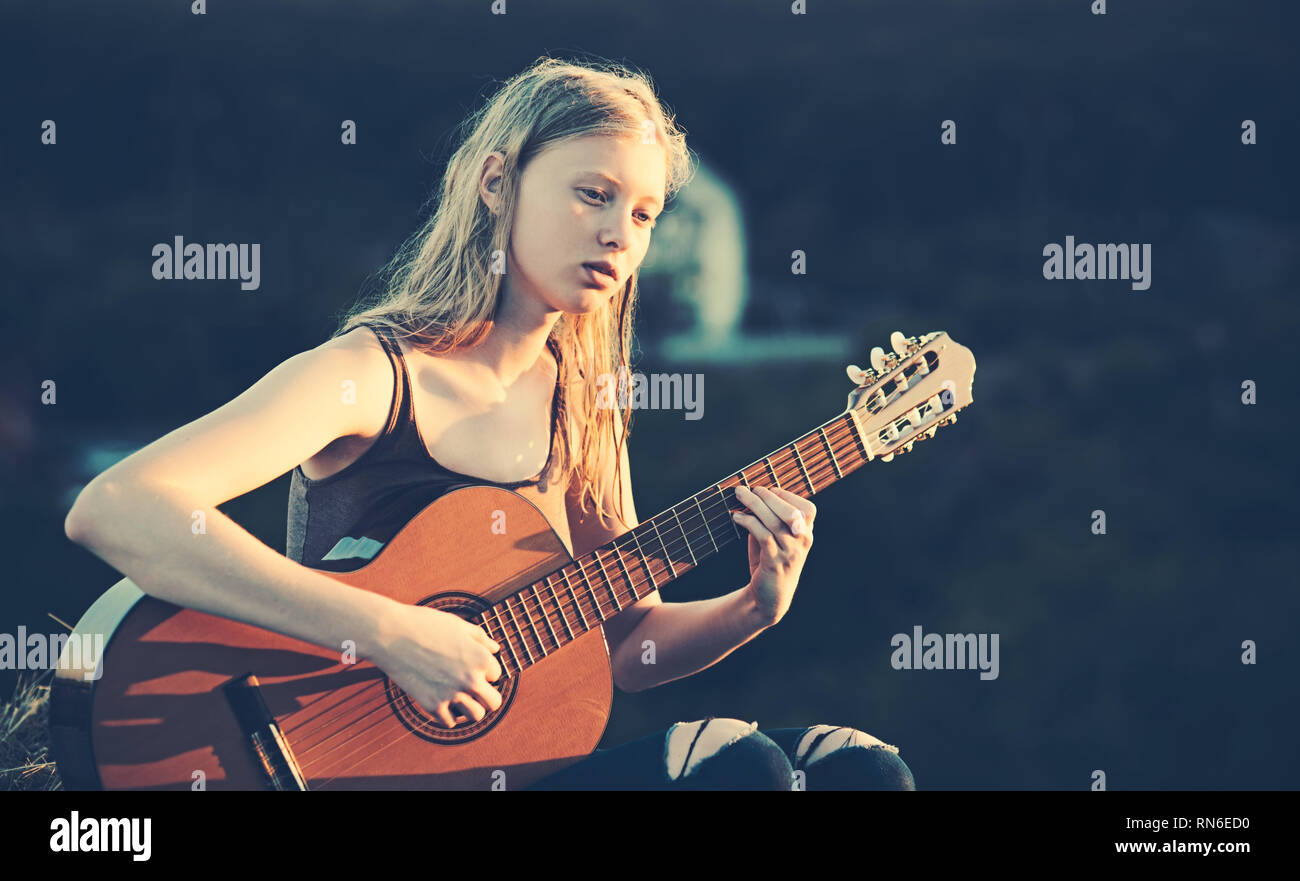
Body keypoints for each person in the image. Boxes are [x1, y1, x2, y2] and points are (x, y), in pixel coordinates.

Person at [64, 56, 914, 791]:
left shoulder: (583, 404)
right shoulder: (375, 374)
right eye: (594, 194)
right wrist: (392, 632)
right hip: (313, 759)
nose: (620, 234)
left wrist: (753, 607)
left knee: (861, 773)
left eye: (646, 214)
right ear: (497, 183)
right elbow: (118, 506)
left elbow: (625, 647)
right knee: (742, 768)